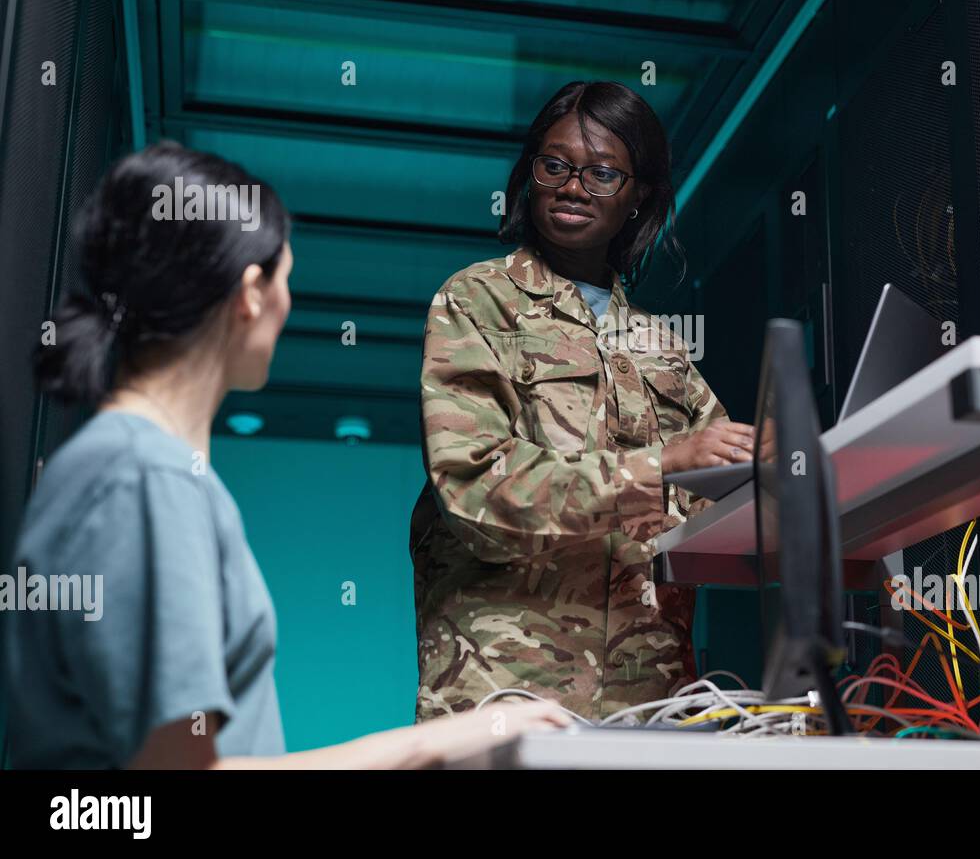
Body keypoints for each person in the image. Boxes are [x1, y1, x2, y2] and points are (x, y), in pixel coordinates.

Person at [2, 141, 566, 768]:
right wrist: (442, 741)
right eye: (286, 279)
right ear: (249, 293)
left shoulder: (124, 468)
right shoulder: (146, 481)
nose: (288, 304)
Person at [410, 81, 755, 721]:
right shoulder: (477, 302)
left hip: (649, 705)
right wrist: (662, 464)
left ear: (638, 196)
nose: (574, 187)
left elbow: (728, 492)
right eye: (555, 165)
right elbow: (474, 490)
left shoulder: (664, 348)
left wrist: (802, 477)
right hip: (505, 696)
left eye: (602, 174)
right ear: (529, 175)